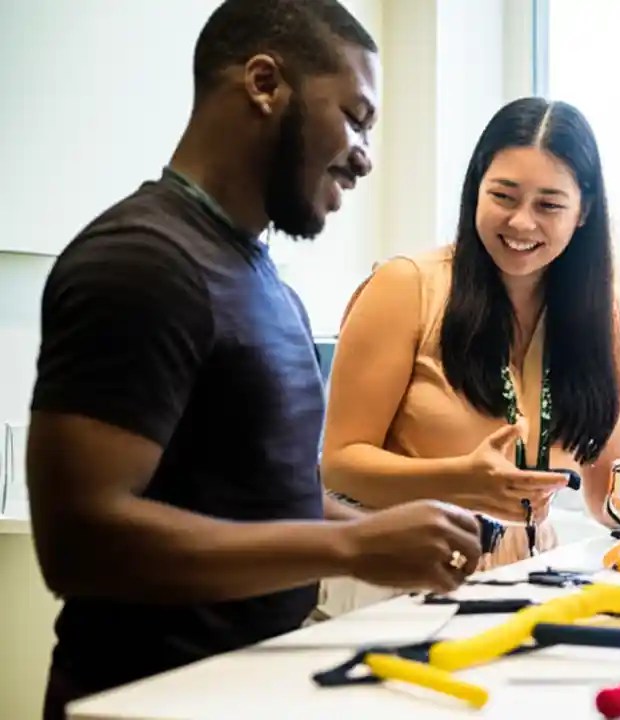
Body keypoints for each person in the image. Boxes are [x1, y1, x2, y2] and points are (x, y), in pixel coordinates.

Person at [25, 2, 482, 718]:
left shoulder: (266, 285)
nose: (365, 155)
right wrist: (354, 546)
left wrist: (388, 533)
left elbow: (260, 500)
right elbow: (79, 541)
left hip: (248, 689)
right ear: (265, 83)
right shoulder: (141, 263)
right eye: (356, 117)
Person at [320, 96, 620, 576]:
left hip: (528, 577)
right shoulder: (405, 286)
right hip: (406, 576)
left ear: (584, 211)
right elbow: (339, 464)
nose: (522, 222)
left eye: (549, 204)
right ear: (476, 189)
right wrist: (457, 480)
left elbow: (608, 489)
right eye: (503, 196)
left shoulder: (597, 314)